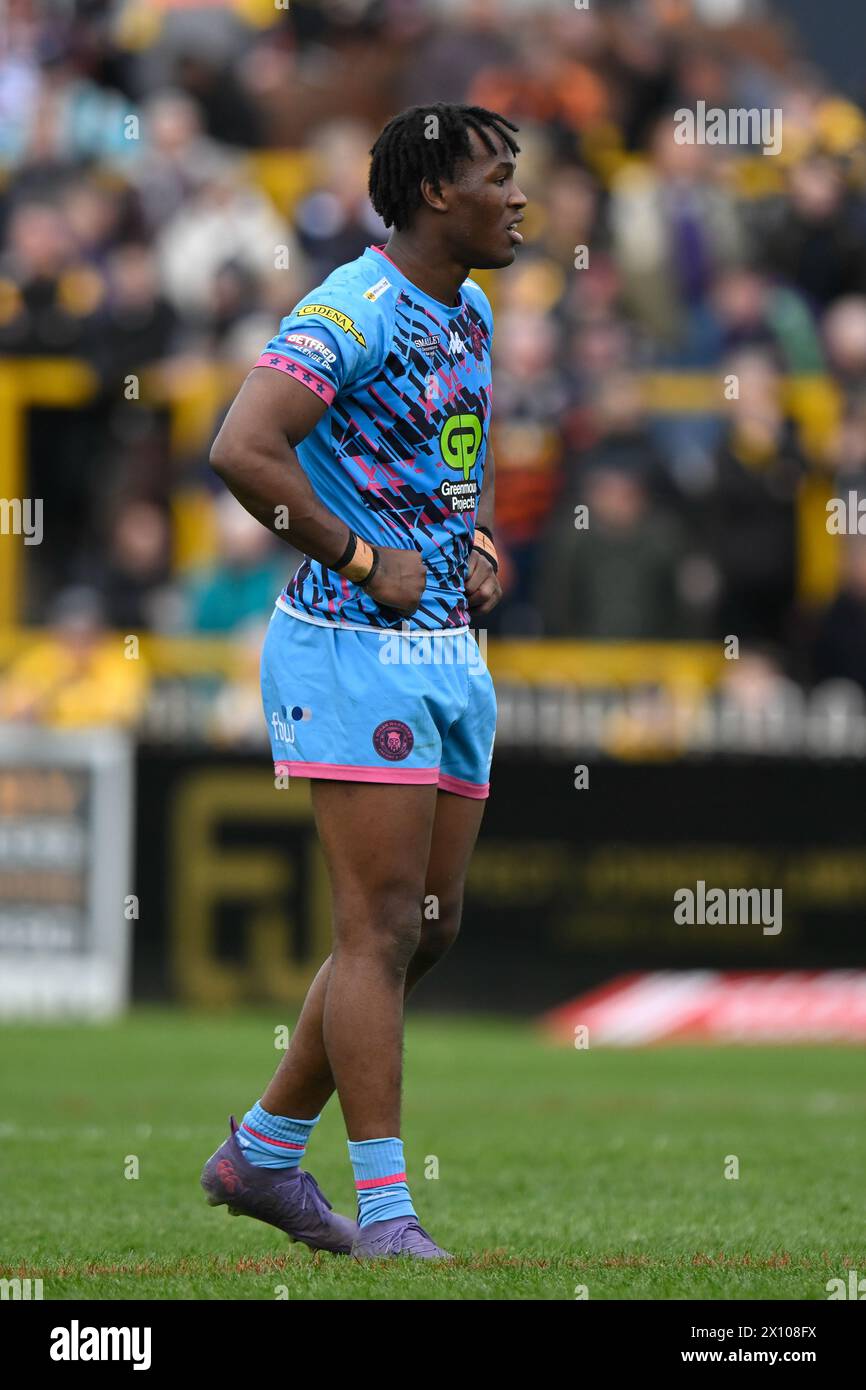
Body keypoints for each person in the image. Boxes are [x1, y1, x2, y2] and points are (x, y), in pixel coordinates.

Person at [200, 103, 526, 1260]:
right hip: (348, 644)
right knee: (378, 928)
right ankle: (387, 1213)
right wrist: (353, 554)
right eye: (499, 174)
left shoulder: (471, 310)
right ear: (437, 192)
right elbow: (243, 444)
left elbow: (441, 455)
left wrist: (474, 537)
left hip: (444, 646)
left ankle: (262, 1150)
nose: (518, 196)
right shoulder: (352, 307)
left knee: (423, 931)